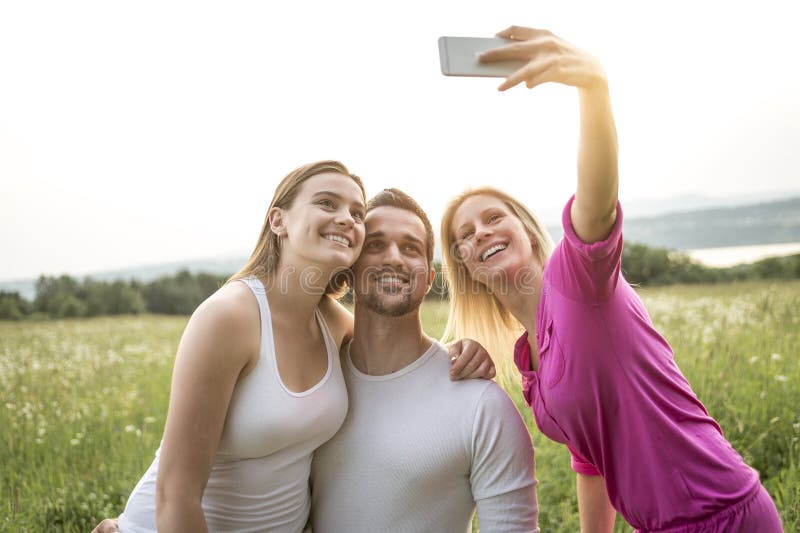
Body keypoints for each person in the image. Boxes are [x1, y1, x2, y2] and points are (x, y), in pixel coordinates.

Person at [440, 26, 783, 533]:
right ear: (465, 265)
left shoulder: (575, 280)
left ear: (528, 232)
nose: (480, 233)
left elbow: (596, 202)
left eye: (493, 218)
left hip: (722, 515)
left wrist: (593, 89)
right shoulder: (528, 357)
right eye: (465, 235)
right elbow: (590, 457)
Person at [92, 162, 494, 533]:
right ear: (278, 220)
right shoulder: (230, 317)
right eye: (326, 203)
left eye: (357, 213)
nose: (346, 218)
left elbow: (395, 348)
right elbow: (175, 496)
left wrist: (456, 351)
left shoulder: (330, 320)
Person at [309, 188, 539, 532]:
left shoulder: (480, 405)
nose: (394, 258)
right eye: (375, 244)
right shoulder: (311, 384)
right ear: (349, 269)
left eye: (411, 248)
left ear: (428, 278)